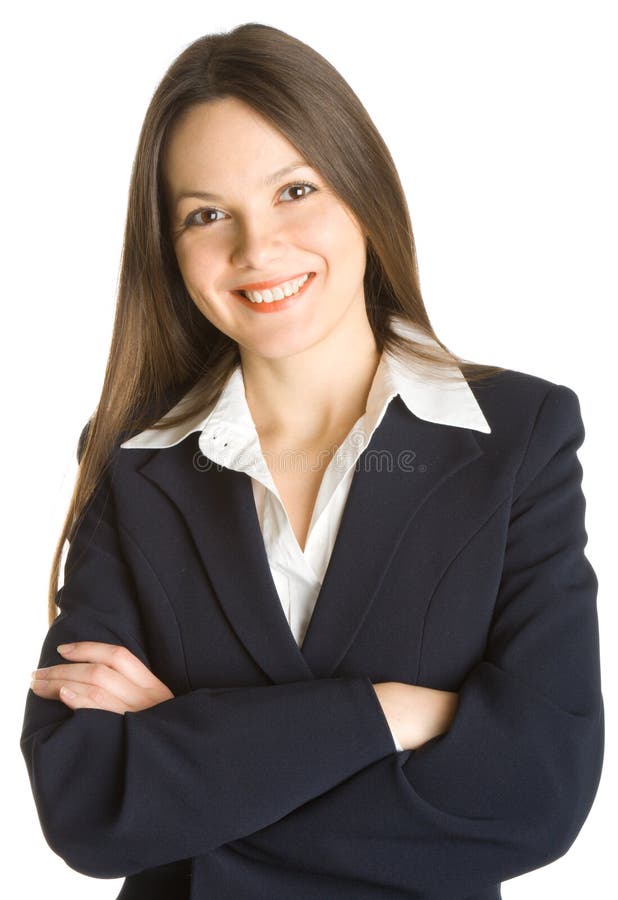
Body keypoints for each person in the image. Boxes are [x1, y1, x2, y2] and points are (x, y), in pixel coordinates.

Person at [20, 22, 603, 900]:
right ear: (171, 249)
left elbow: (535, 796)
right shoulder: (135, 463)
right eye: (207, 214)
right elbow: (89, 808)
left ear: (363, 191)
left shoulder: (518, 437)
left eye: (295, 189)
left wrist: (190, 747)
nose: (257, 250)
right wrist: (394, 712)